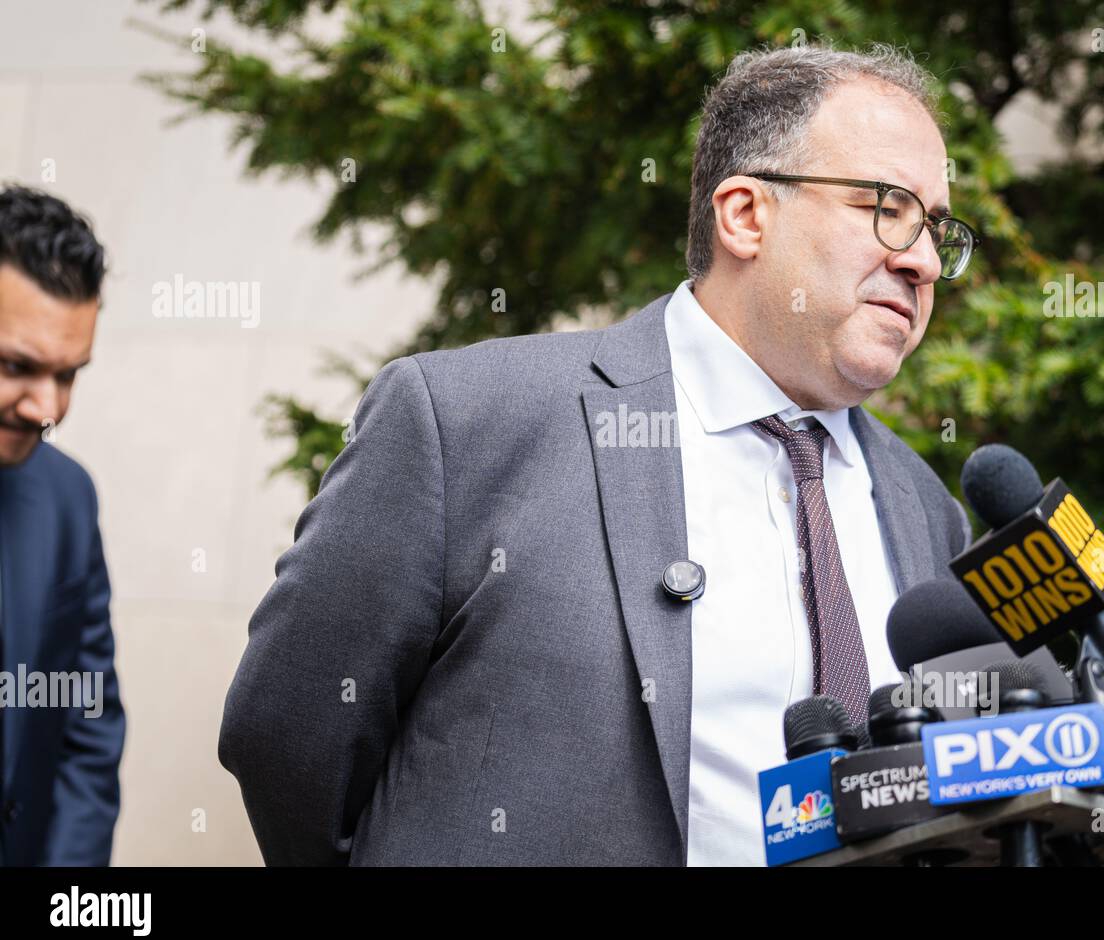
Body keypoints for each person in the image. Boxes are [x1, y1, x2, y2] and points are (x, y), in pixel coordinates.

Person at [220, 43, 979, 866]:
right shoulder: (468, 423)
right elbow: (286, 733)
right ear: (746, 215)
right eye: (889, 206)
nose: (924, 261)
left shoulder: (921, 505)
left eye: (938, 229)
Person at [0, 185, 124, 866]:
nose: (46, 407)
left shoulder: (68, 499)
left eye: (69, 375)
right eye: (16, 366)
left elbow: (87, 730)